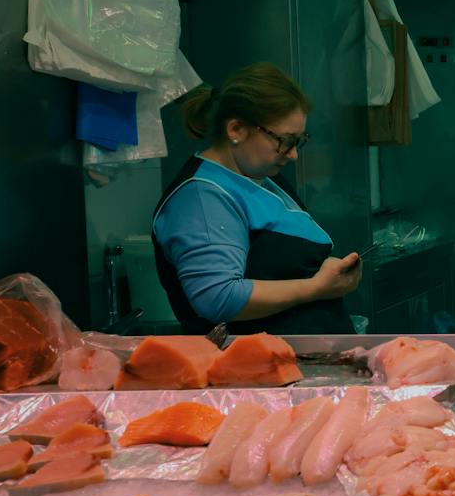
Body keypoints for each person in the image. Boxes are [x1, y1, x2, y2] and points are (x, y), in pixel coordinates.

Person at [153, 63, 362, 334]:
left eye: (299, 141)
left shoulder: (264, 178)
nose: (293, 155)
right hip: (251, 370)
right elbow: (218, 297)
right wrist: (317, 288)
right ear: (236, 129)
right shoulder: (202, 197)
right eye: (284, 141)